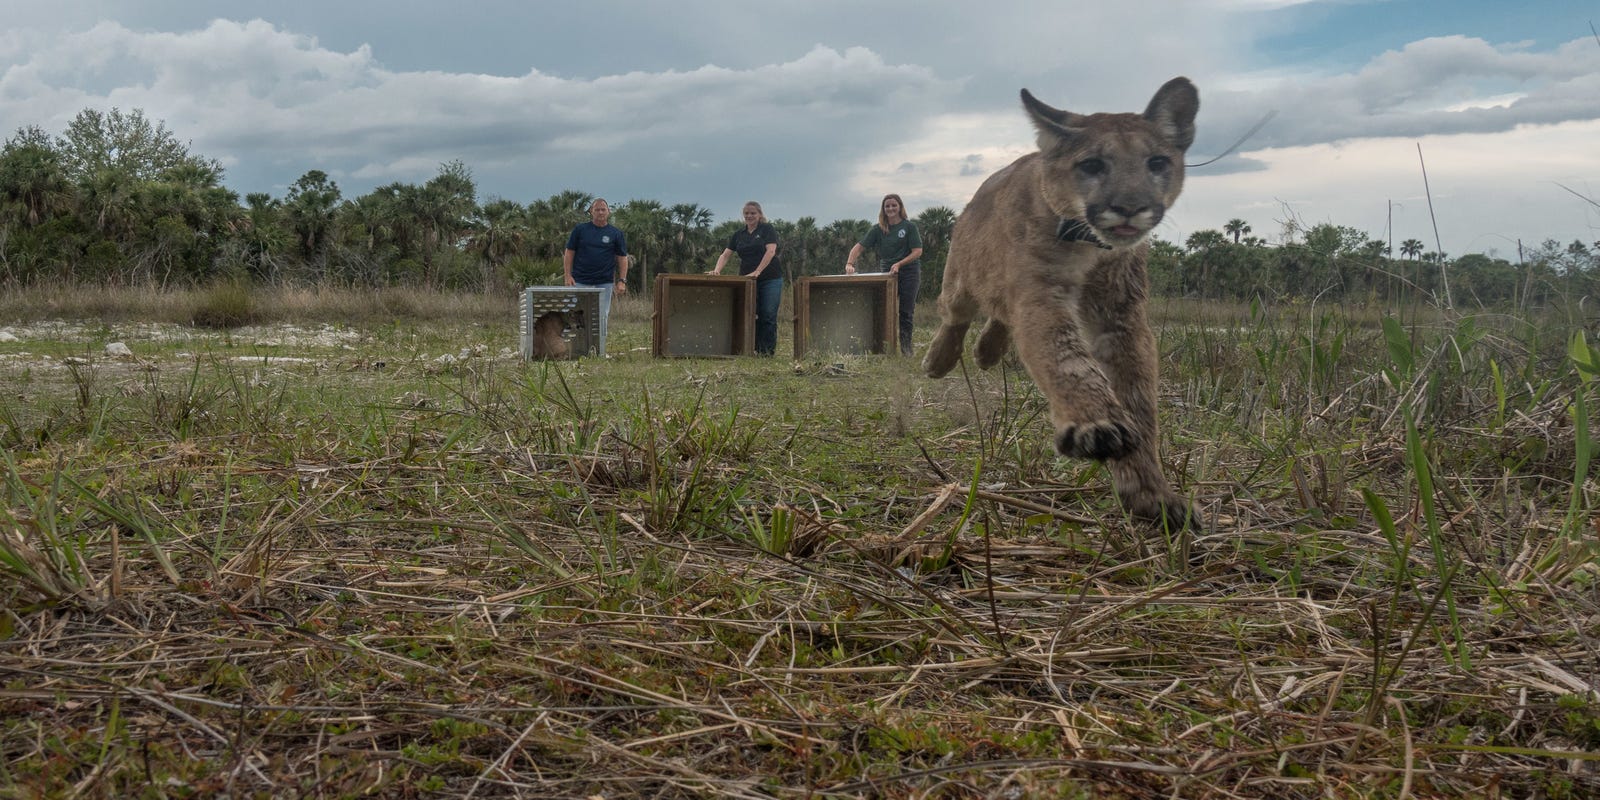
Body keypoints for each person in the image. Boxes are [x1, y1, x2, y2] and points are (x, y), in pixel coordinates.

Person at [845, 193, 923, 355]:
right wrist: (849, 263)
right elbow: (858, 247)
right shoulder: (878, 229)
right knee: (883, 310)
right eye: (887, 206)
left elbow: (917, 251)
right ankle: (882, 348)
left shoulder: (909, 227)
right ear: (883, 209)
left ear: (900, 207)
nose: (891, 208)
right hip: (888, 274)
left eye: (894, 205)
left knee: (906, 312)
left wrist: (900, 264)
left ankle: (906, 349)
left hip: (909, 272)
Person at [710, 201, 783, 356]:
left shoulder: (767, 229)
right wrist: (717, 270)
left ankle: (766, 352)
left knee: (768, 314)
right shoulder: (739, 234)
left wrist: (758, 271)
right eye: (746, 213)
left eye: (753, 213)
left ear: (759, 214)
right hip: (747, 280)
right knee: (750, 313)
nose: (749, 216)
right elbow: (726, 255)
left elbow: (770, 251)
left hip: (770, 278)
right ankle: (751, 348)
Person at [563, 198, 628, 356]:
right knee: (573, 313)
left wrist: (622, 280)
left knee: (601, 316)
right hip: (579, 281)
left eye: (603, 209)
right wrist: (567, 275)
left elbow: (622, 258)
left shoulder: (615, 233)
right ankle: (570, 349)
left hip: (604, 283)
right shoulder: (580, 230)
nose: (600, 212)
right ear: (591, 212)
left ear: (608, 212)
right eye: (597, 209)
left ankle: (598, 350)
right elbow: (569, 252)